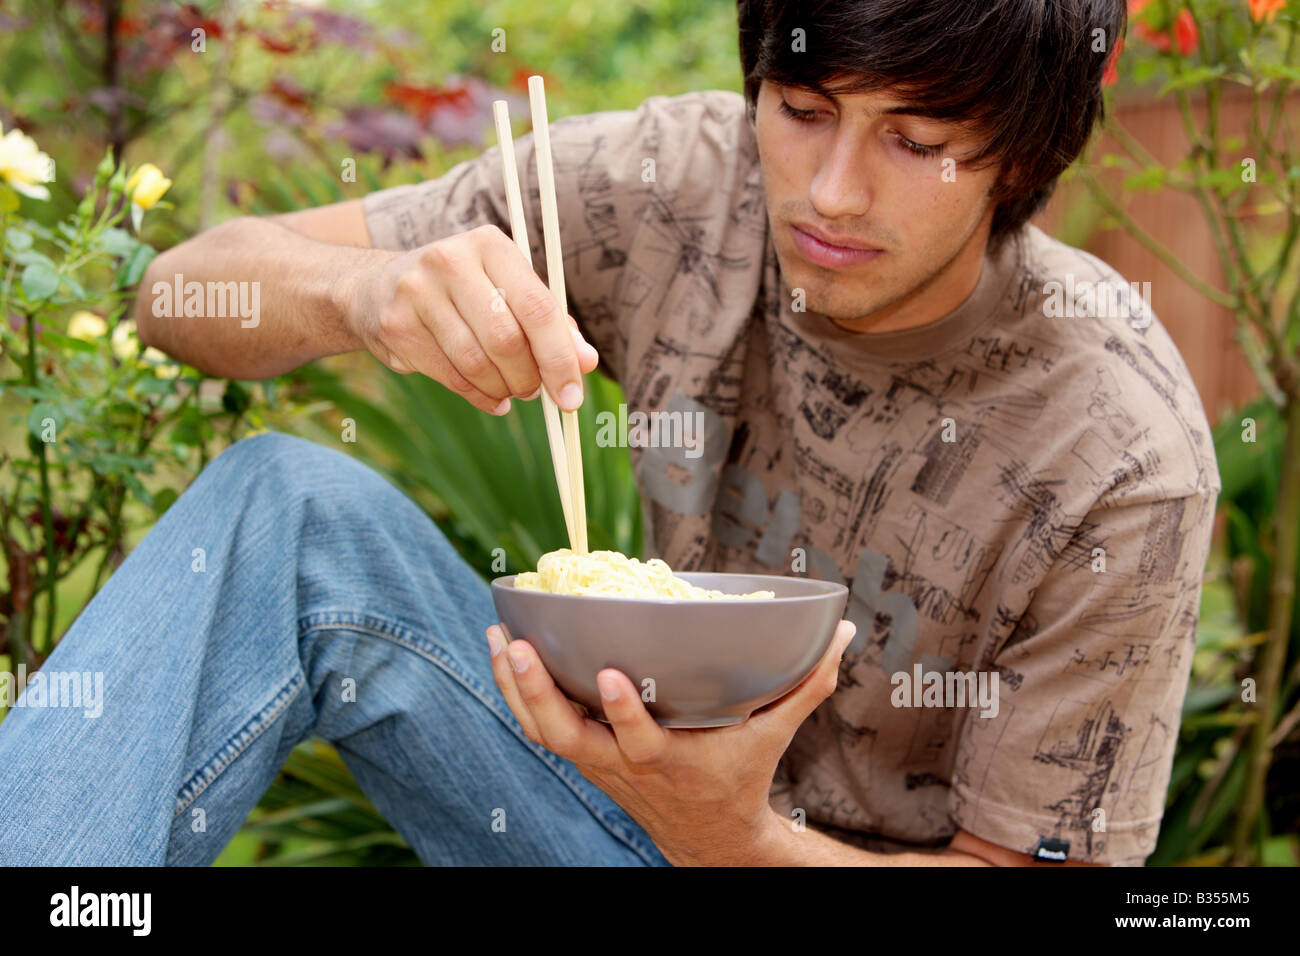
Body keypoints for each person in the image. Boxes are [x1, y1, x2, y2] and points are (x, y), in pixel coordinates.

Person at [0, 0, 1220, 866]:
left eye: (916, 141)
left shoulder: (1119, 452)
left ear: (1020, 160)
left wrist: (734, 839)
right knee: (292, 507)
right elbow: (178, 292)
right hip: (588, 807)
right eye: (802, 107)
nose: (833, 191)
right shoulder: (679, 183)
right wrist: (360, 296)